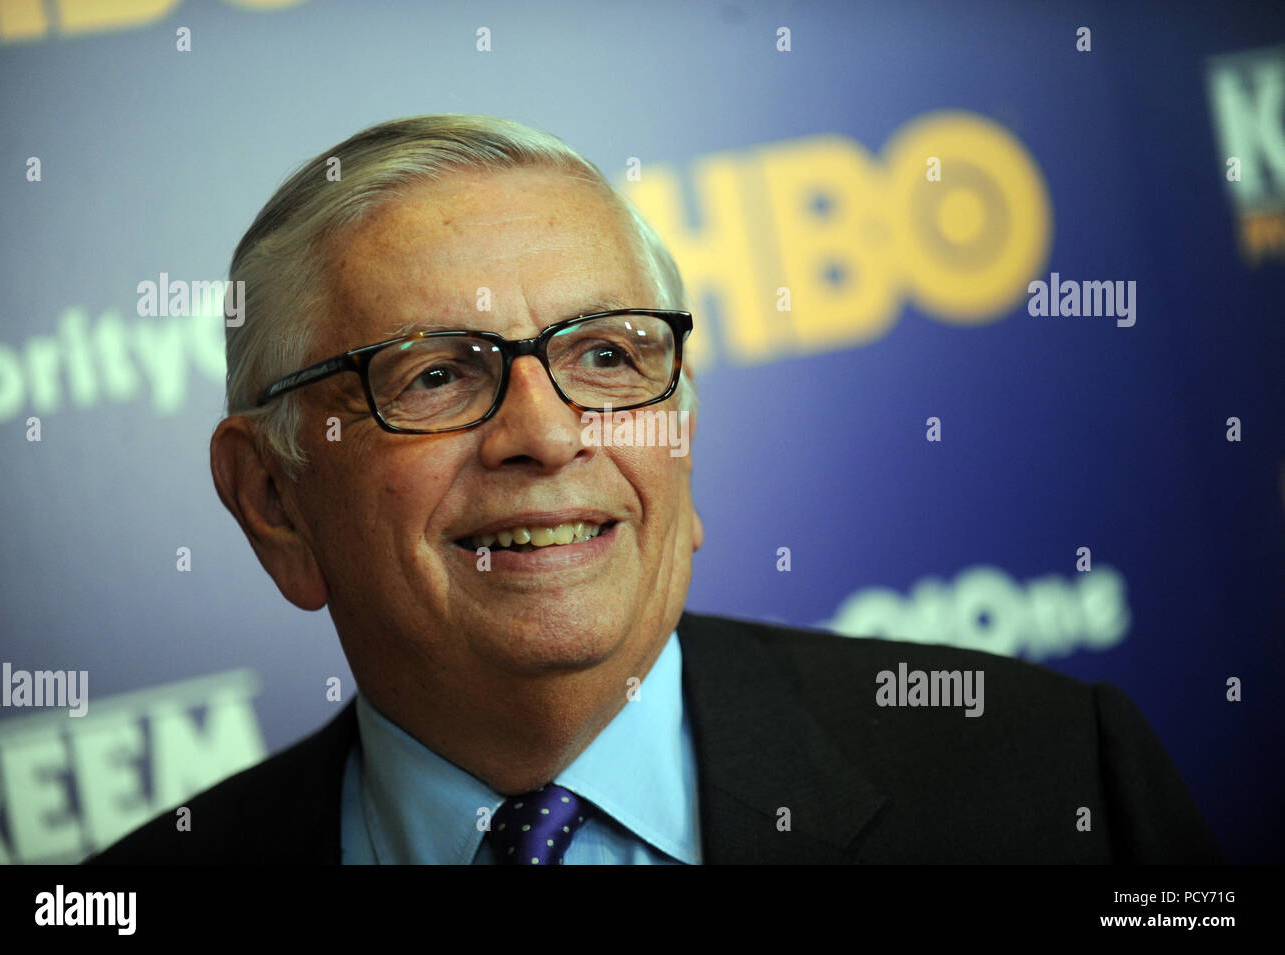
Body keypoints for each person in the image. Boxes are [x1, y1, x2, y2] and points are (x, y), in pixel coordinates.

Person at [86, 115, 1222, 864]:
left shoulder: (1056, 782)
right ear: (274, 501)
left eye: (606, 357)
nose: (546, 431)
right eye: (435, 374)